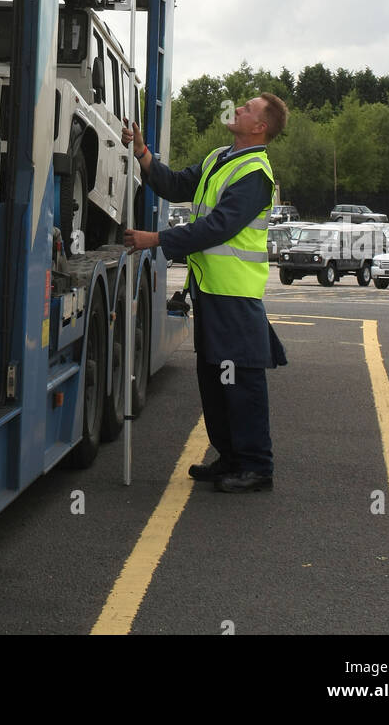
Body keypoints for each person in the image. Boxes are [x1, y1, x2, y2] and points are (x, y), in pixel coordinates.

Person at [123, 94, 288, 493]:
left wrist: (156, 239)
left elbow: (218, 227)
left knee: (240, 378)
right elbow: (177, 184)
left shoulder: (255, 173)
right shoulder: (220, 157)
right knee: (214, 377)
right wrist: (143, 153)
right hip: (210, 289)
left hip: (234, 294)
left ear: (259, 127)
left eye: (248, 109)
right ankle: (230, 457)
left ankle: (256, 466)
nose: (238, 109)